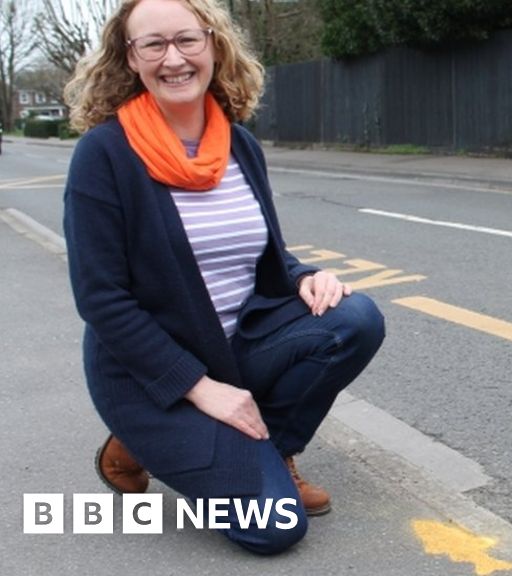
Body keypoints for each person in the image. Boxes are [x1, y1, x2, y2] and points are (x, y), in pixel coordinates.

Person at [62, 0, 385, 554]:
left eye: (187, 39)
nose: (174, 58)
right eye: (153, 44)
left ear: (213, 45)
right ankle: (140, 439)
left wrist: (305, 276)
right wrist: (202, 390)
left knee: (353, 318)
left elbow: (266, 257)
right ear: (130, 58)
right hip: (151, 376)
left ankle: (272, 453)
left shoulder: (239, 145)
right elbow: (102, 299)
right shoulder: (104, 154)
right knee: (274, 528)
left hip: (236, 351)